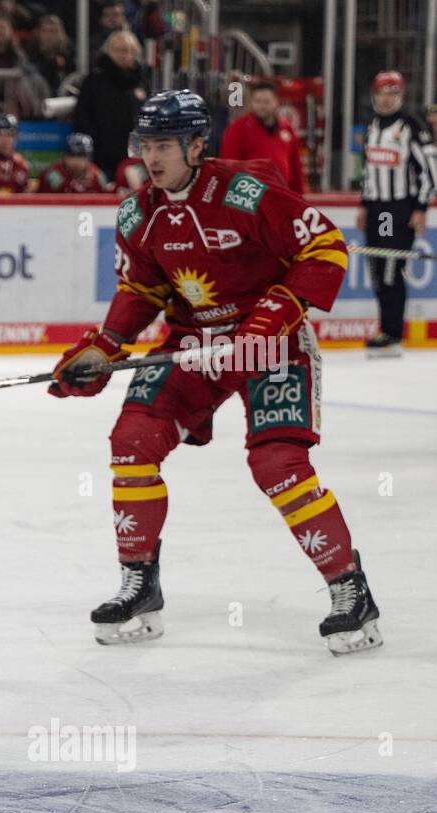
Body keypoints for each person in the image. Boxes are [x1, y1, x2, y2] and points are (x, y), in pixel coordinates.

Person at [49, 90, 381, 656]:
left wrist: (269, 320)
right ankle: (140, 584)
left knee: (277, 462)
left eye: (163, 145)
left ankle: (350, 589)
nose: (151, 157)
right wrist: (105, 345)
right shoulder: (138, 212)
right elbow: (142, 288)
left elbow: (325, 246)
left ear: (196, 145)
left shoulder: (245, 193)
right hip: (194, 345)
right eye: (144, 144)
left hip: (268, 343)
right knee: (132, 442)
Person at [356, 70, 437, 354]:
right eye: (381, 92)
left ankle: (391, 333)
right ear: (374, 95)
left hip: (395, 210)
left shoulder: (412, 126)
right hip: (377, 209)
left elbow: (430, 171)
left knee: (390, 269)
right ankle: (386, 329)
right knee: (377, 272)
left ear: (400, 95)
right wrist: (365, 205)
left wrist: (420, 208)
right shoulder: (372, 125)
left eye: (392, 93)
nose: (386, 98)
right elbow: (368, 170)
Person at [72, 29, 147, 183]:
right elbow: (82, 118)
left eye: (129, 50)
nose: (125, 55)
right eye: (119, 50)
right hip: (101, 158)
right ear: (109, 52)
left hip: (133, 159)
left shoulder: (142, 81)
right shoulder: (94, 80)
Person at [219, 80, 305, 193]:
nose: (262, 106)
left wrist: (299, 198)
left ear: (276, 102)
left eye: (266, 101)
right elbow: (228, 166)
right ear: (251, 102)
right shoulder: (237, 129)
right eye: (257, 101)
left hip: (281, 196)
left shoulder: (286, 128)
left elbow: (296, 167)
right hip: (250, 198)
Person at [36, 132, 109, 191]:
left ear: (88, 158)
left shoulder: (97, 177)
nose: (75, 161)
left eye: (81, 157)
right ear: (64, 157)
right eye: (71, 156)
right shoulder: (50, 174)